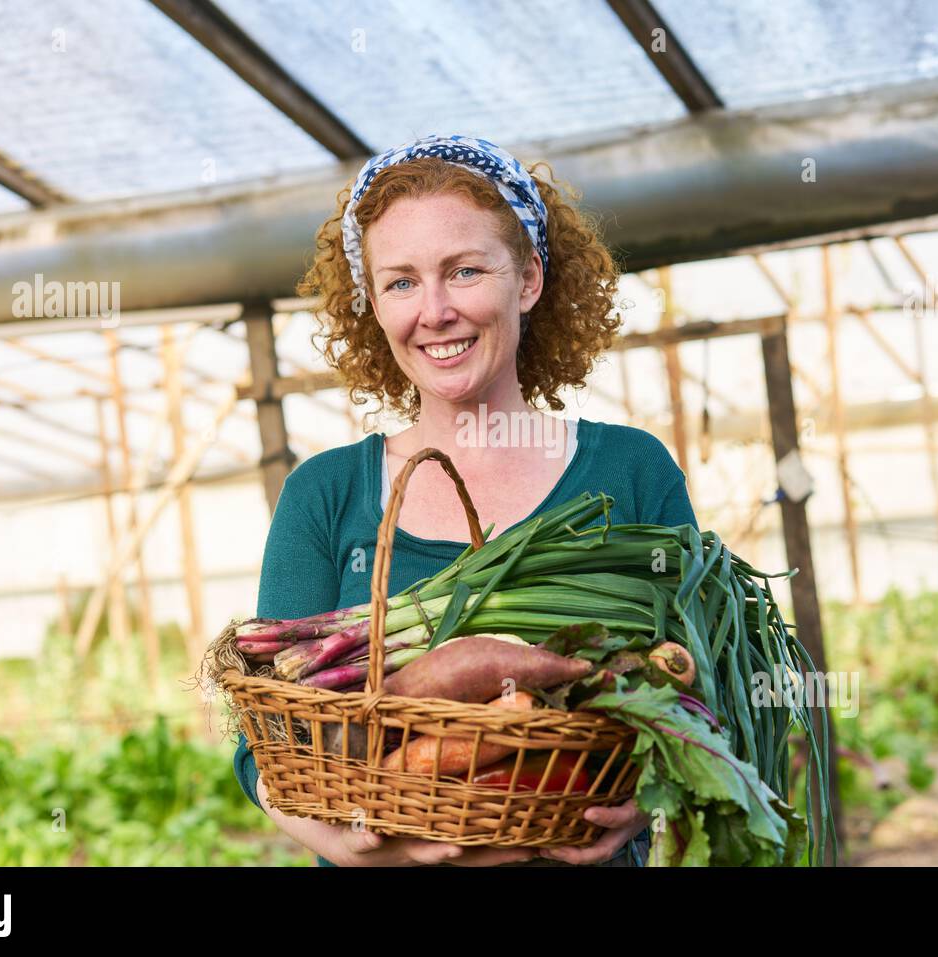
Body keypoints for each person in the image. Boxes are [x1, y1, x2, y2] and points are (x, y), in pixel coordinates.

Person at [233, 134, 697, 866]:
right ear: (374, 304)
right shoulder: (324, 497)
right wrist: (372, 853)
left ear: (530, 279)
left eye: (465, 270)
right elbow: (266, 747)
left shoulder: (631, 472)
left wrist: (652, 786)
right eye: (402, 282)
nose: (436, 310)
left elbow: (704, 686)